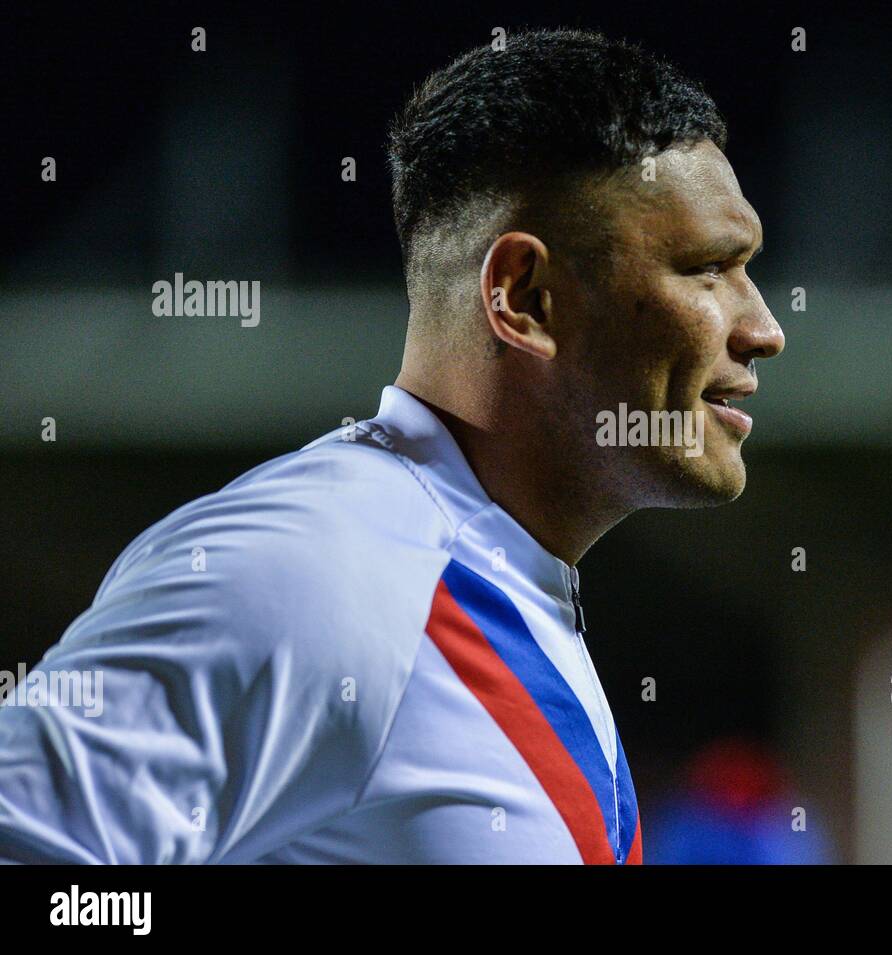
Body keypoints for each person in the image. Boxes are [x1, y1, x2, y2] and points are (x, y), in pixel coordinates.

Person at [0, 27, 784, 864]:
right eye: (709, 267)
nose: (763, 327)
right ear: (525, 297)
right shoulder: (316, 566)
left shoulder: (493, 576)